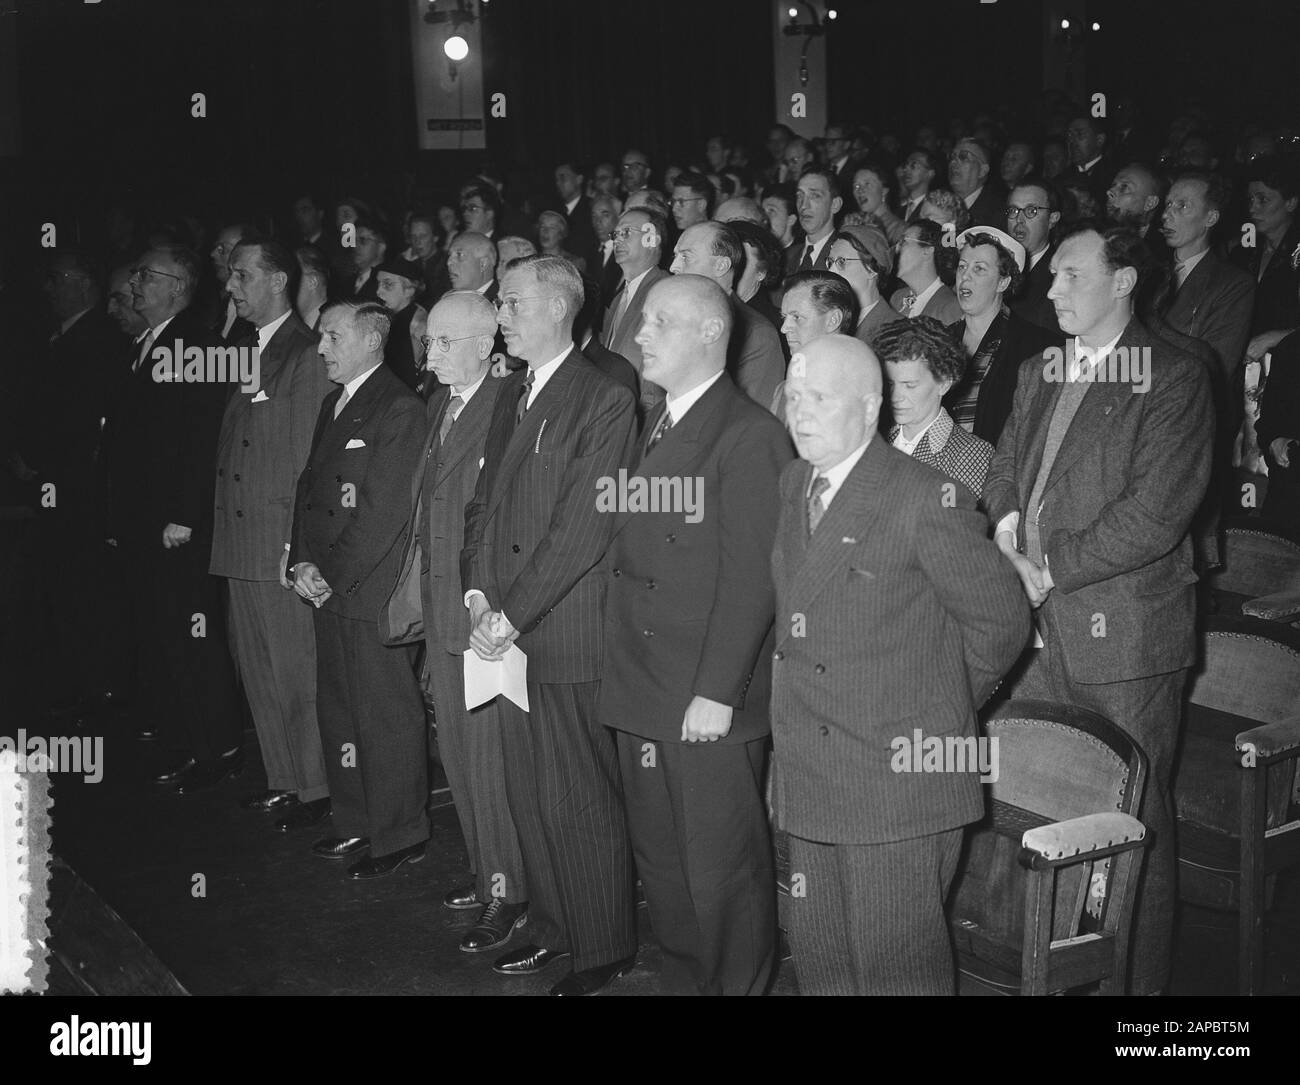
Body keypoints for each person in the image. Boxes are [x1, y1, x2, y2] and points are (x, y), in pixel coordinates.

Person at [984, 223, 1214, 997]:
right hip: (1033, 625)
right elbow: (1003, 466)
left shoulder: (1174, 376)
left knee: (1131, 826)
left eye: (1070, 275)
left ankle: (1136, 995)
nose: (1051, 290)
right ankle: (1048, 972)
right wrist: (1008, 537)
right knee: (1039, 810)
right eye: (1051, 275)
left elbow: (1154, 516)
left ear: (1123, 281)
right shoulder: (1040, 366)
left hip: (1124, 637)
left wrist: (1046, 569)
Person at [771, 334, 1027, 995]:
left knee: (895, 972)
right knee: (822, 957)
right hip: (813, 772)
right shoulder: (795, 482)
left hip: (898, 779)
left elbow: (1002, 622)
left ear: (869, 406)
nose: (801, 413)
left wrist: (930, 706)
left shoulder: (925, 497)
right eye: (794, 397)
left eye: (819, 397)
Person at [598, 273, 793, 995]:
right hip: (643, 682)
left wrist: (717, 691)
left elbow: (752, 579)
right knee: (664, 866)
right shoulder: (656, 420)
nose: (640, 334)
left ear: (712, 332)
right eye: (642, 320)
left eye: (660, 322)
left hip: (701, 694)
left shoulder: (749, 434)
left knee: (721, 872)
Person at [461, 255, 639, 996]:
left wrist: (509, 614)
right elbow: (484, 502)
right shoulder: (512, 390)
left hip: (562, 629)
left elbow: (583, 528)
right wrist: (477, 595)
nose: (500, 315)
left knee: (578, 796)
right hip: (504, 629)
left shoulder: (604, 397)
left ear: (560, 308)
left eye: (512, 303)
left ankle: (602, 946)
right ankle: (551, 925)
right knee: (530, 791)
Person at [380, 291, 528, 952]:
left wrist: (486, 601)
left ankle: (509, 890)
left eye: (444, 341)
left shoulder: (505, 404)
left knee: (490, 760)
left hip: (479, 610)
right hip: (441, 605)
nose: (430, 353)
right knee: (461, 759)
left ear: (484, 344)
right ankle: (483, 867)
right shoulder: (441, 403)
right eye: (429, 340)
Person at [287, 300, 429, 878]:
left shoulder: (400, 408)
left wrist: (331, 574)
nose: (322, 347)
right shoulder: (334, 403)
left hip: (367, 587)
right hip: (328, 584)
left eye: (333, 336)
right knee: (340, 709)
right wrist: (300, 559)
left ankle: (399, 834)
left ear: (372, 340)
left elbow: (383, 511)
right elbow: (309, 488)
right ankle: (355, 820)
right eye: (321, 336)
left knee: (384, 714)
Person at [211, 238, 333, 826]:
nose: (230, 285)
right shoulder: (241, 348)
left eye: (242, 275)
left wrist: (298, 544)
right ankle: (283, 777)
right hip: (239, 538)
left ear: (279, 280)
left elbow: (312, 461)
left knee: (295, 672)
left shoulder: (306, 353)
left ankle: (316, 786)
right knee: (258, 670)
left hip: (278, 539)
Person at [117, 245, 242, 790]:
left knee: (193, 633)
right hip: (146, 521)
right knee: (163, 633)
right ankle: (186, 741)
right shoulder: (147, 343)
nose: (135, 284)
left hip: (178, 526)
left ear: (178, 286)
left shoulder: (197, 343)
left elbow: (202, 435)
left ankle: (218, 746)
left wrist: (185, 514)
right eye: (136, 274)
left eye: (146, 275)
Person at [946, 226, 1061, 444]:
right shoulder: (942, 339)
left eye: (979, 269)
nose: (965, 276)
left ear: (1003, 282)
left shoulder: (1038, 347)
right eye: (962, 266)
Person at [670, 221, 785, 411]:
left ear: (721, 265)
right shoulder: (672, 318)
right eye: (675, 256)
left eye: (686, 257)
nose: (673, 266)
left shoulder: (756, 334)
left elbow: (752, 417)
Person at [876, 316, 994, 498]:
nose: (895, 396)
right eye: (891, 384)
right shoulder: (875, 437)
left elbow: (953, 516)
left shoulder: (968, 453)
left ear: (944, 383)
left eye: (910, 385)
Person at [603, 207, 671, 415]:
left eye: (626, 232)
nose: (617, 240)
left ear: (652, 239)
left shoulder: (665, 289)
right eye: (615, 234)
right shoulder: (618, 299)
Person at [827, 223, 902, 348]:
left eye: (841, 262)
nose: (831, 271)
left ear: (872, 269)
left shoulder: (896, 331)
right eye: (830, 262)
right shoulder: (829, 321)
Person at [1007, 177, 1063, 334]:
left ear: (1052, 219)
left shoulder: (1060, 275)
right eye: (1013, 210)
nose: (1019, 220)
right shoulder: (993, 263)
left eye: (1031, 211)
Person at [890, 220, 962, 323]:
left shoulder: (950, 308)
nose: (897, 249)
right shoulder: (897, 299)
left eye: (903, 242)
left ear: (927, 251)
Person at [375, 256, 429, 393]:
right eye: (378, 284)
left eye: (388, 284)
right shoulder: (386, 317)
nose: (378, 292)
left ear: (409, 290)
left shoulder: (419, 324)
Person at [786, 168, 842, 275]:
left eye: (815, 196)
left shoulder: (845, 255)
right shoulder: (787, 257)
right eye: (800, 196)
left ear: (835, 204)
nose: (803, 205)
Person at [948, 138, 1004, 228]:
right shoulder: (940, 203)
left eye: (963, 157)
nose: (953, 162)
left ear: (982, 170)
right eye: (952, 157)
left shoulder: (997, 214)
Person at [848, 161, 906, 244]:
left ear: (884, 191)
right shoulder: (854, 225)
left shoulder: (899, 230)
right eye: (856, 186)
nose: (860, 190)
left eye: (867, 184)